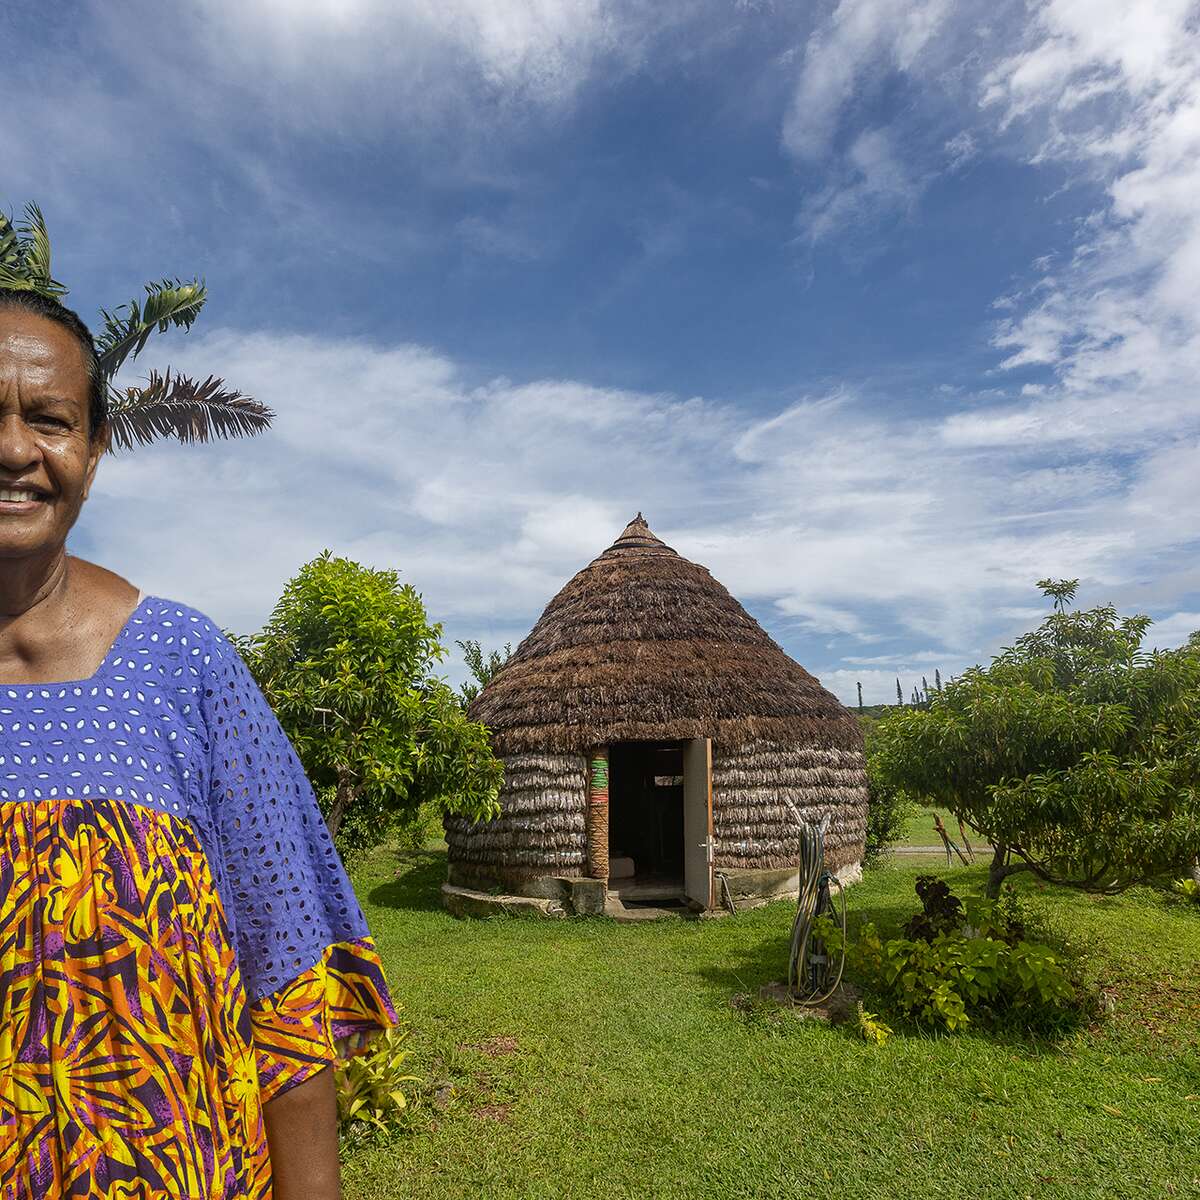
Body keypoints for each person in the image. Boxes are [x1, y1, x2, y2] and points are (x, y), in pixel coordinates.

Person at [0, 287, 396, 1200]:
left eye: (51, 419)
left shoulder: (183, 666)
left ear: (93, 454)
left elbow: (287, 976)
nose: (15, 449)